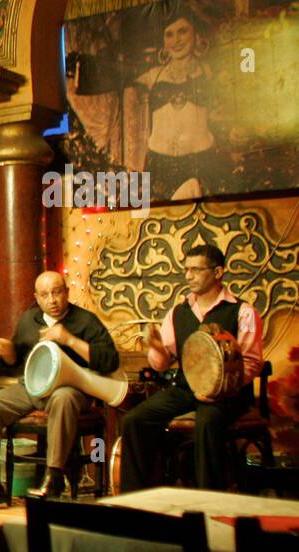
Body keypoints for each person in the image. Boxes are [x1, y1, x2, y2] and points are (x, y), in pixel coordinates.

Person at [120, 245, 262, 491]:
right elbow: (162, 364)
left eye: (196, 270)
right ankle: (135, 498)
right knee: (135, 420)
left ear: (218, 272)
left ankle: (210, 503)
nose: (188, 276)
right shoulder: (178, 312)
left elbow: (251, 363)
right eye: (186, 270)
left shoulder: (244, 312)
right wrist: (156, 347)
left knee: (208, 422)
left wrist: (219, 388)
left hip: (229, 395)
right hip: (186, 389)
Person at [0, 272, 118, 501]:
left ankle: (54, 475)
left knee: (63, 398)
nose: (52, 300)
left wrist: (69, 340)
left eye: (57, 292)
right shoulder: (30, 320)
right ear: (37, 297)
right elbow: (16, 365)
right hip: (32, 388)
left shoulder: (85, 321)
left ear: (67, 293)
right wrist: (7, 356)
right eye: (45, 295)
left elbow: (110, 360)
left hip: (71, 389)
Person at [127, 10, 218, 200]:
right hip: (158, 163)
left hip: (198, 162)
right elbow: (118, 77)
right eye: (169, 34)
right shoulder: (153, 75)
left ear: (196, 35)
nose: (176, 40)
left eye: (182, 31)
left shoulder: (208, 70)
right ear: (163, 42)